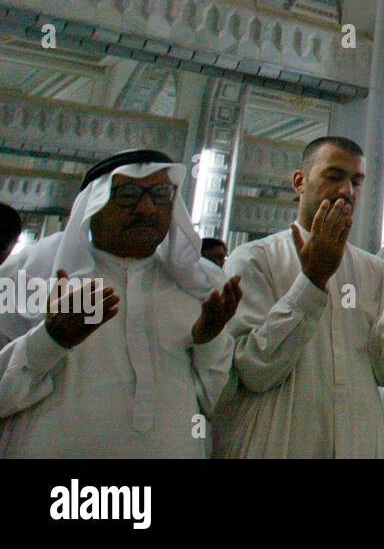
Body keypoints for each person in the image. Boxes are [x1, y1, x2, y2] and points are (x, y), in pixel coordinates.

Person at [0, 149, 240, 458]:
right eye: (127, 194)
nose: (146, 208)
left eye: (160, 194)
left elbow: (217, 403)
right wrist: (51, 340)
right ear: (94, 202)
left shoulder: (201, 285)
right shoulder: (29, 273)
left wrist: (208, 340)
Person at [214, 136, 384, 458]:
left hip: (358, 440)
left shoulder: (373, 269)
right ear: (300, 181)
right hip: (280, 439)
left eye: (356, 181)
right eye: (334, 176)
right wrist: (312, 281)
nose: (347, 191)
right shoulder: (254, 259)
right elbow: (254, 370)